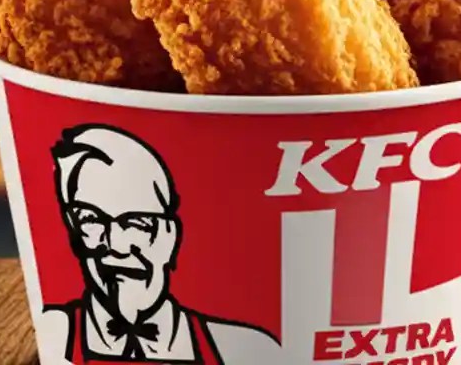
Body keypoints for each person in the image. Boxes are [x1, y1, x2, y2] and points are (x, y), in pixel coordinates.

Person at [36, 125, 279, 364]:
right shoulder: (58, 333)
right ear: (72, 230)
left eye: (137, 223)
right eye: (91, 220)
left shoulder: (240, 345)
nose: (117, 246)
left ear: (169, 236)